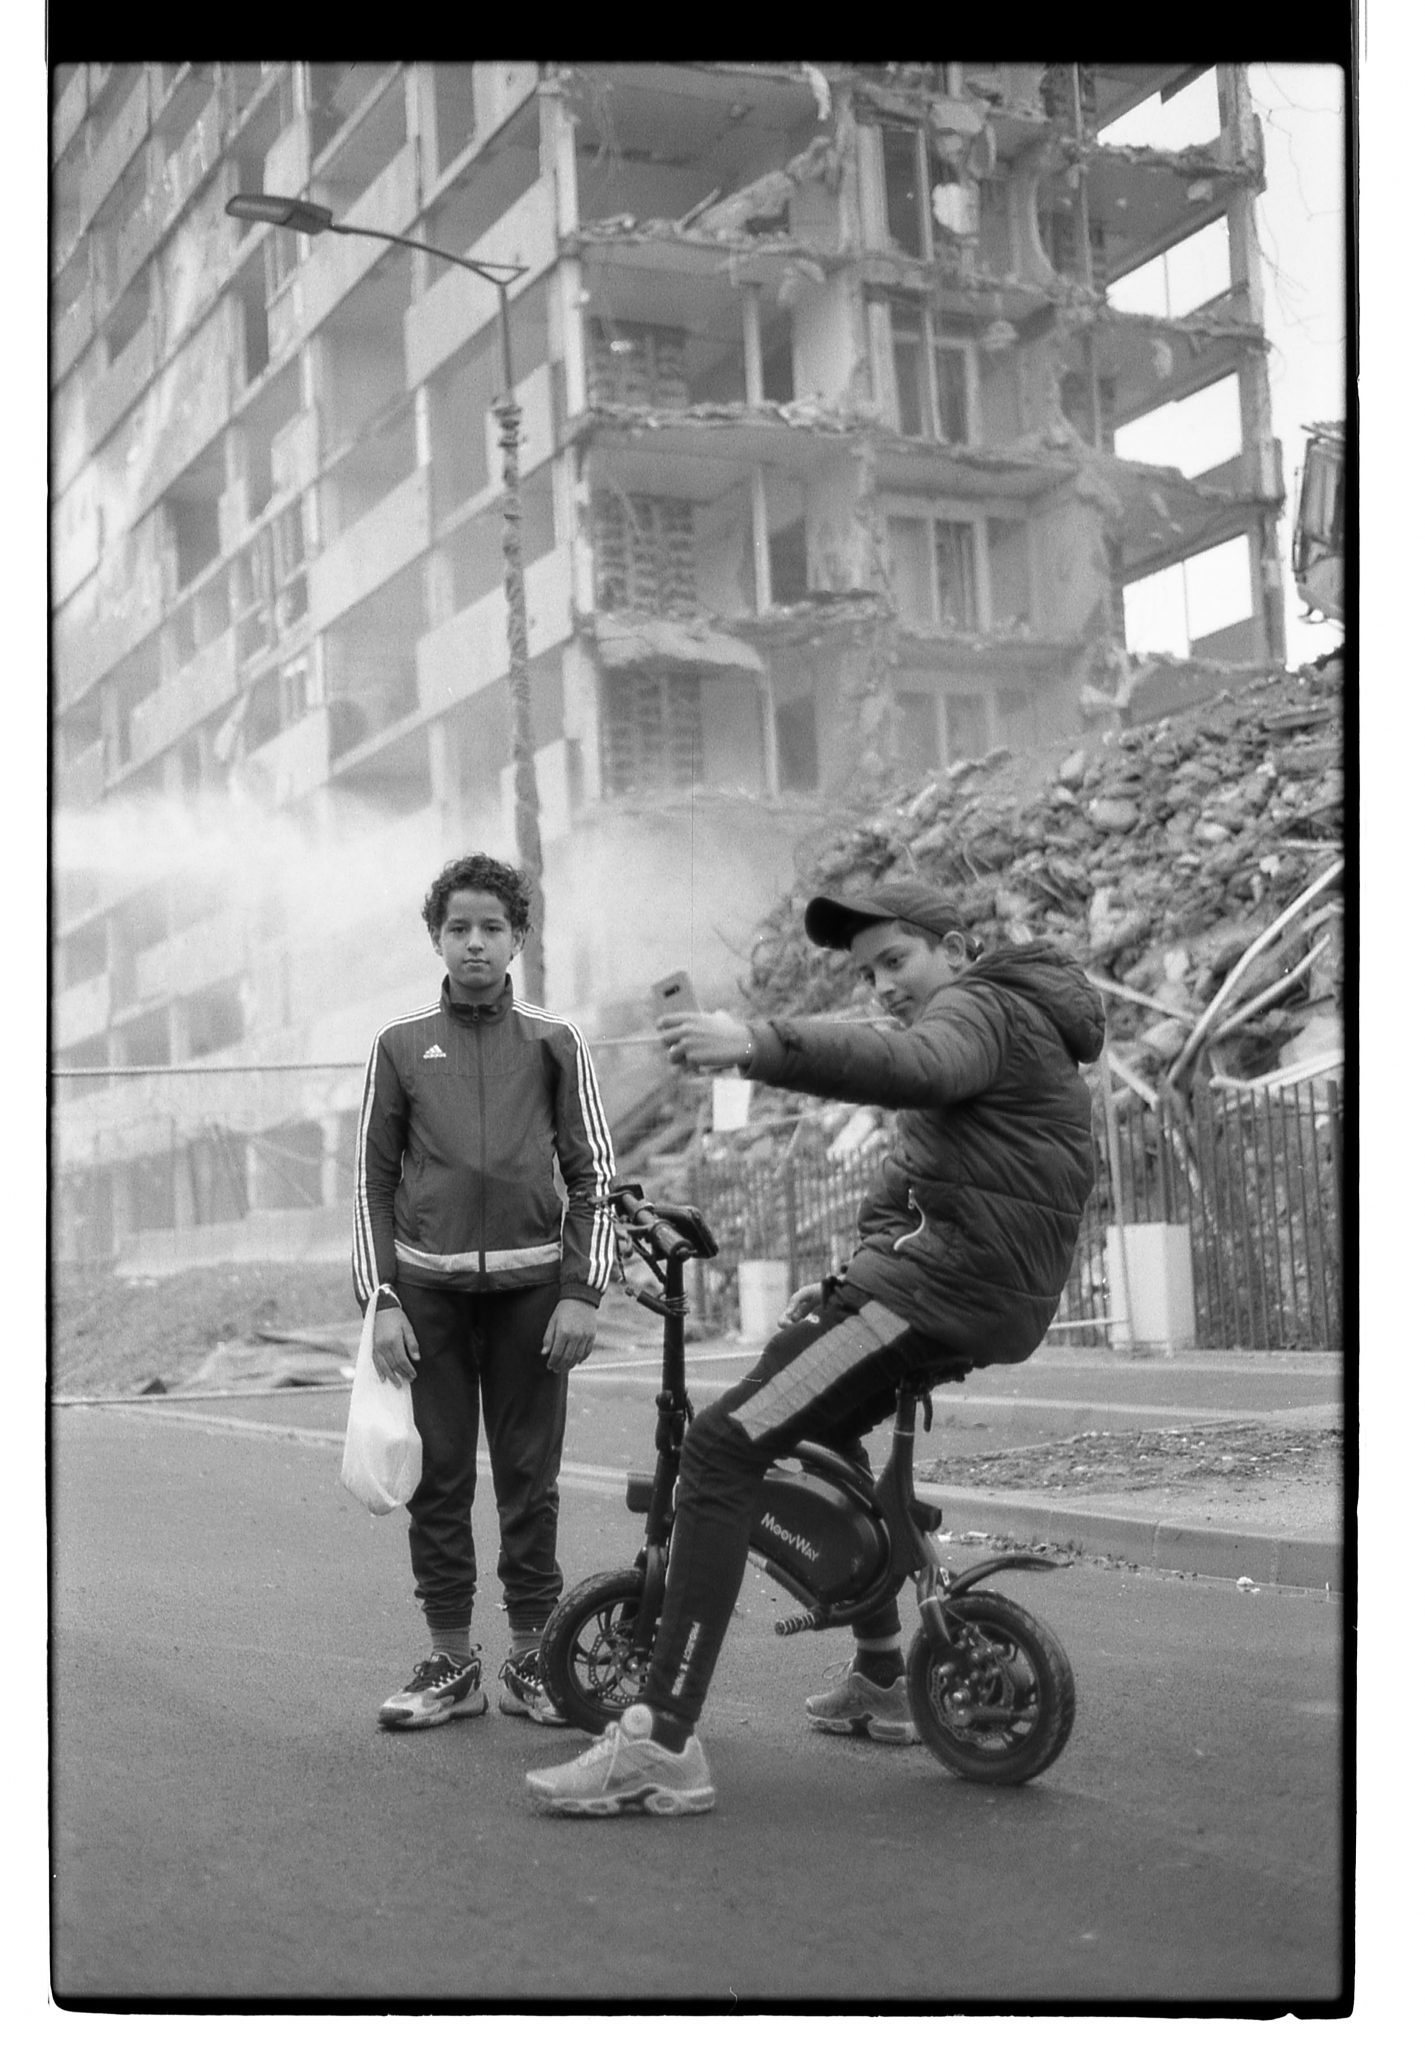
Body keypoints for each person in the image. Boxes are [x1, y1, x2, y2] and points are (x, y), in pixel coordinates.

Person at [526, 880, 1104, 1816]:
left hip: (929, 1297)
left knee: (718, 1448)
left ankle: (658, 1745)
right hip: (963, 1294)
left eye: (895, 960)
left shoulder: (983, 1008)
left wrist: (753, 1044)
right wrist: (846, 1275)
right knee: (818, 1435)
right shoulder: (1018, 1024)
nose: (881, 985)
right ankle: (882, 1677)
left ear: (954, 948)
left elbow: (911, 1066)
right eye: (867, 972)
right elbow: (921, 1183)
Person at [353, 853, 616, 1731]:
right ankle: (449, 1658)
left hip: (533, 1296)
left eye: (491, 929)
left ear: (516, 940)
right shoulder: (398, 1044)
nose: (474, 943)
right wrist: (382, 1298)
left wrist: (582, 1291)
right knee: (435, 1475)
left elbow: (595, 1180)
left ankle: (534, 1659)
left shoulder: (552, 1041)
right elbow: (372, 1184)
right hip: (424, 1300)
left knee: (528, 1479)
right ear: (436, 937)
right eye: (459, 928)